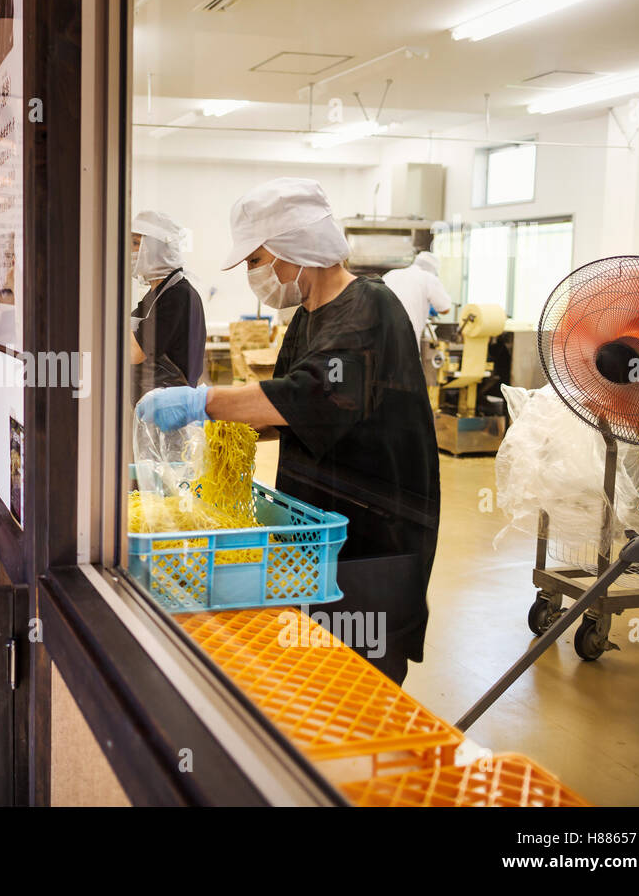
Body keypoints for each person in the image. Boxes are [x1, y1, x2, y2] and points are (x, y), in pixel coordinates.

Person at [135, 178, 440, 685]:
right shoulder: (308, 317)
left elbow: (306, 394)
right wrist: (209, 441)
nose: (255, 275)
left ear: (293, 250)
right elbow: (288, 411)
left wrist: (200, 402)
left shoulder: (371, 311)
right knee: (316, 665)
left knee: (363, 677)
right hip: (319, 524)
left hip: (373, 535)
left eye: (256, 260)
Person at [129, 210, 207, 402]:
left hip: (167, 409)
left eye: (135, 244)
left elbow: (134, 353)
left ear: (156, 249)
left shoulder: (177, 296)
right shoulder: (157, 294)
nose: (129, 251)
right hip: (151, 404)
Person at [384, 250, 452, 348]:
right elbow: (445, 309)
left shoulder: (390, 275)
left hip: (382, 338)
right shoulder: (429, 278)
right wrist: (429, 306)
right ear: (434, 270)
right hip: (406, 340)